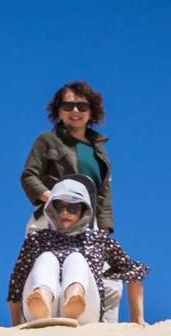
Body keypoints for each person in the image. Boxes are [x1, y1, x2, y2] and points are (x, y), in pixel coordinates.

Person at [20, 82, 138, 323]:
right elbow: (29, 175)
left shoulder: (99, 151)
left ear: (92, 111)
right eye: (68, 105)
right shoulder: (48, 140)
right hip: (50, 219)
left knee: (108, 279)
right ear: (59, 111)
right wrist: (52, 198)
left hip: (88, 223)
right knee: (41, 271)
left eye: (82, 106)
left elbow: (104, 193)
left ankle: (105, 331)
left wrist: (104, 231)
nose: (75, 111)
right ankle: (34, 325)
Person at [6, 179, 147, 325]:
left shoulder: (98, 239)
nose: (65, 212)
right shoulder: (36, 239)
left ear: (83, 210)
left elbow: (134, 272)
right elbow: (17, 284)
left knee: (76, 258)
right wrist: (16, 326)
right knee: (47, 257)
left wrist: (137, 318)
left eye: (72, 207)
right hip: (38, 313)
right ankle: (43, 299)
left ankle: (74, 298)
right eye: (59, 206)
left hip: (85, 311)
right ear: (51, 208)